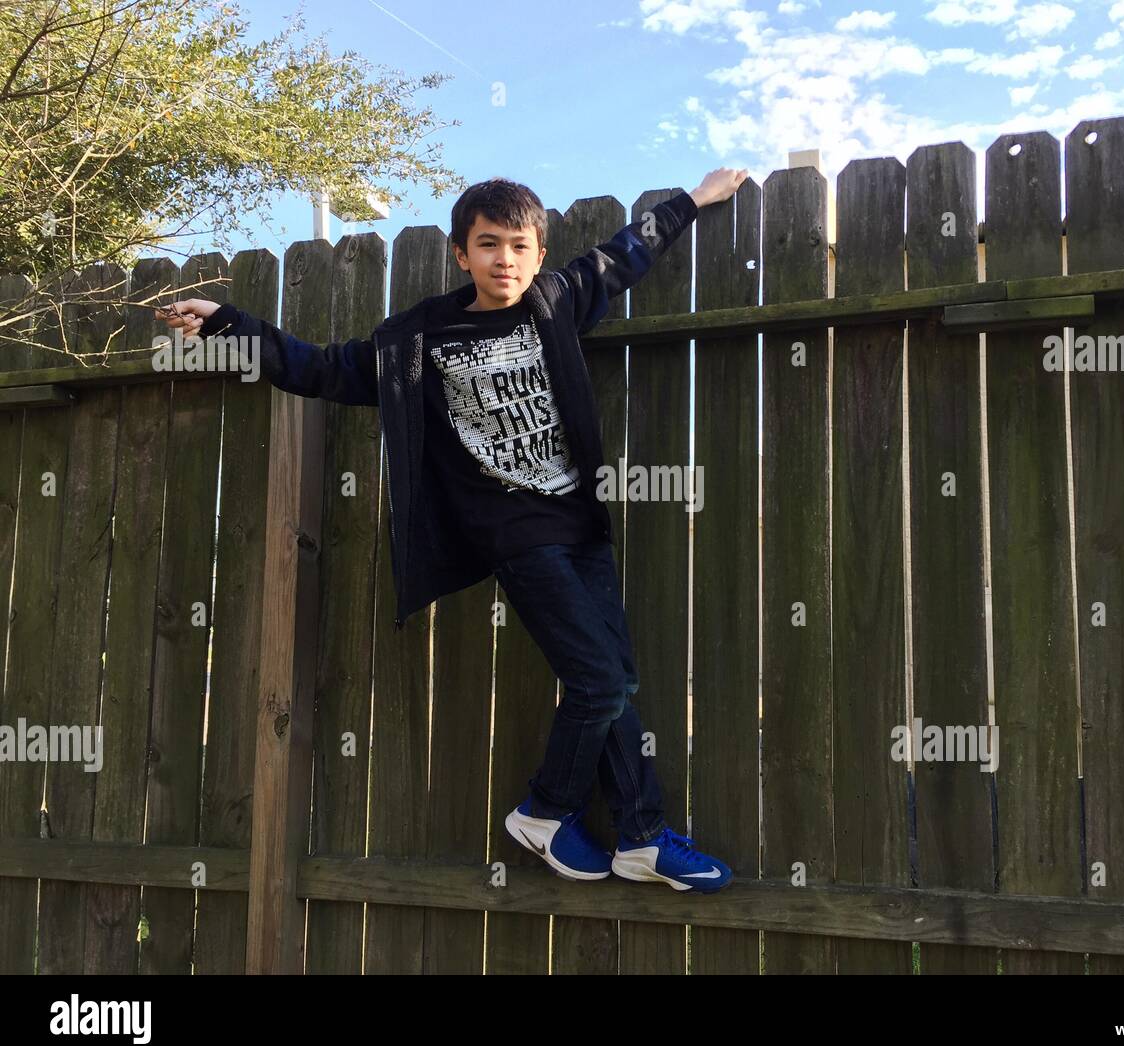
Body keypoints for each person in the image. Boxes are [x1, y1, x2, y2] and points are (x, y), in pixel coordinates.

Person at [157, 166, 747, 893]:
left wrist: (694, 199)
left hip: (581, 527)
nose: (505, 259)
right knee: (598, 681)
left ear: (538, 254)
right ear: (461, 253)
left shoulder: (556, 302)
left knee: (614, 680)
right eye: (488, 244)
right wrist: (227, 323)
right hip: (514, 535)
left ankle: (642, 836)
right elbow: (320, 369)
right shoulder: (421, 338)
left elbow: (627, 252)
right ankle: (547, 811)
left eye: (519, 246)